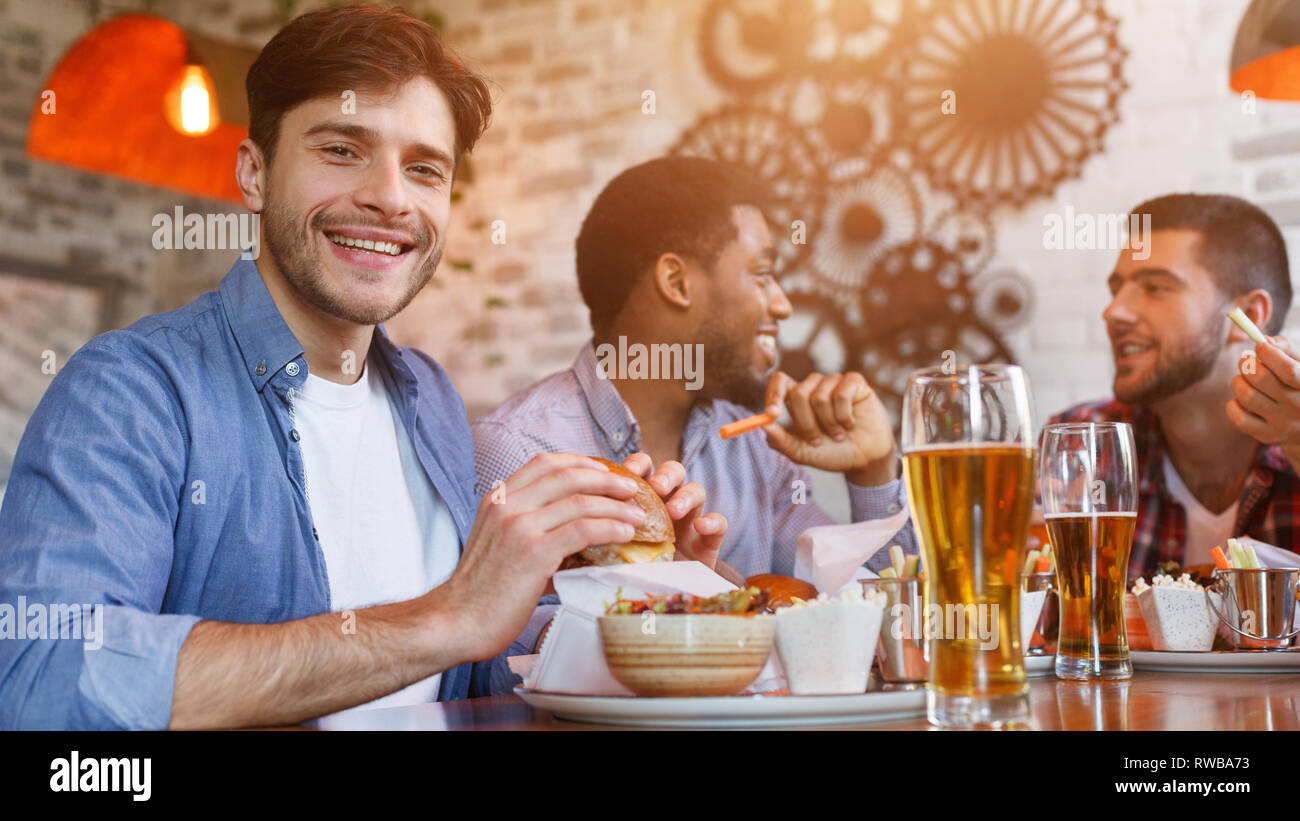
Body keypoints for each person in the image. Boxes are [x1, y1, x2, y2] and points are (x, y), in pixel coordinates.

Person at [0, 5, 720, 730]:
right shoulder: (128, 391)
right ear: (254, 174)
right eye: (343, 150)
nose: (390, 196)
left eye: (424, 168)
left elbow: (468, 675)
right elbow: (40, 678)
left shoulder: (430, 397)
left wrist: (640, 592)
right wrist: (445, 616)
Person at [473, 157, 915, 583]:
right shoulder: (513, 453)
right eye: (761, 274)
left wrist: (874, 470)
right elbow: (493, 654)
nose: (782, 304)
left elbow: (871, 621)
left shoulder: (757, 450)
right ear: (677, 283)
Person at [1050, 193, 1300, 580]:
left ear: (1247, 317)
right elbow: (1037, 629)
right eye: (1117, 288)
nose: (1113, 311)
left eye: (1155, 287)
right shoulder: (1082, 440)